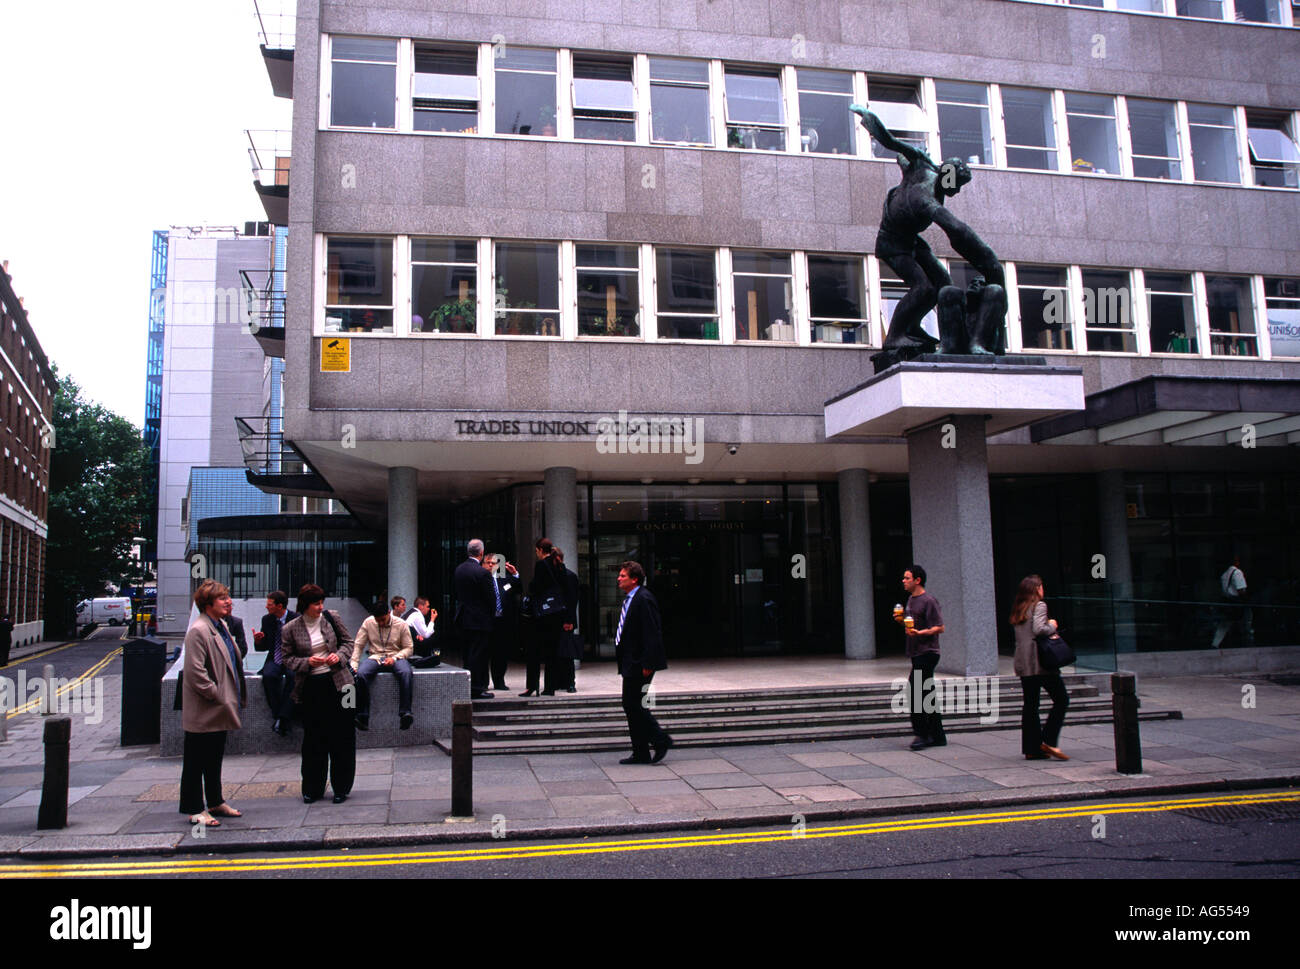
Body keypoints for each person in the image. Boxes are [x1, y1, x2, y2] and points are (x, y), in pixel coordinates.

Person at [849, 104, 1006, 355]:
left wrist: (884, 137)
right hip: (892, 243)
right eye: (957, 186)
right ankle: (896, 335)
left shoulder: (926, 167)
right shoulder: (926, 200)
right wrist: (987, 261)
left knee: (944, 282)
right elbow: (956, 229)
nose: (956, 191)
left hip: (910, 239)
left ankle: (915, 326)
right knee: (924, 288)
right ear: (949, 178)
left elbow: (899, 151)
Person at [178, 580, 246, 828]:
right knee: (196, 760)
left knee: (213, 757)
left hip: (218, 707)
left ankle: (215, 801)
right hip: (206, 708)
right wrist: (218, 695)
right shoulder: (198, 630)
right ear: (207, 604)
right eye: (222, 598)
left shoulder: (220, 625)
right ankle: (195, 808)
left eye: (228, 597)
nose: (229, 601)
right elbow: (195, 673)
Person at [279, 584, 356, 804]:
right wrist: (306, 662)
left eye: (322, 602)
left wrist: (338, 657)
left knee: (341, 737)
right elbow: (286, 659)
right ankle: (313, 788)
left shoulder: (331, 617)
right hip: (311, 686)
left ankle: (341, 787)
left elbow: (348, 643)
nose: (320, 607)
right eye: (316, 604)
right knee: (313, 739)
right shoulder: (290, 628)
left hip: (340, 684)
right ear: (305, 605)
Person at [613, 561, 671, 764]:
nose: (618, 579)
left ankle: (660, 740)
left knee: (633, 704)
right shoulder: (631, 599)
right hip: (631, 661)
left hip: (640, 662)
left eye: (623, 576)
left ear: (634, 579)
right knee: (632, 705)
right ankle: (641, 751)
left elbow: (652, 632)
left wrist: (648, 662)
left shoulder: (643, 598)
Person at [1010, 574, 1069, 761]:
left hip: (1023, 663)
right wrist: (1052, 625)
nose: (1043, 589)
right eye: (1041, 586)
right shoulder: (1039, 605)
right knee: (1061, 699)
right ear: (1037, 589)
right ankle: (1048, 740)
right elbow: (1039, 629)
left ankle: (1032, 748)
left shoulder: (1019, 608)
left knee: (1030, 705)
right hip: (1040, 662)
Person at [900, 564, 946, 751]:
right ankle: (937, 735)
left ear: (917, 580)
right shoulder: (910, 600)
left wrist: (921, 633)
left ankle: (921, 734)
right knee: (927, 693)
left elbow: (940, 627)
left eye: (907, 578)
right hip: (916, 652)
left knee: (915, 692)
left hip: (928, 652)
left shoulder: (929, 601)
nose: (904, 581)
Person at [351, 598, 415, 730]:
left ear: (389, 613)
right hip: (375, 656)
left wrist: (396, 658)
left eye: (382, 620)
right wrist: (354, 665)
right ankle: (363, 715)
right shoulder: (368, 623)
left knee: (406, 673)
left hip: (396, 656)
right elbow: (358, 645)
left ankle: (405, 713)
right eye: (377, 620)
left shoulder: (401, 624)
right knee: (361, 674)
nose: (380, 623)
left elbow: (409, 648)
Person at [454, 538, 497, 698]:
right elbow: (491, 599)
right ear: (481, 553)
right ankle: (477, 688)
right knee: (479, 655)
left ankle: (468, 685)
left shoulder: (459, 570)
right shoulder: (482, 573)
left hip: (464, 617)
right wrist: (491, 615)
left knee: (467, 654)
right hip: (480, 619)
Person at [253, 591, 298, 736]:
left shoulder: (296, 619)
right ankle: (280, 715)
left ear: (279, 606)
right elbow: (264, 647)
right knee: (269, 676)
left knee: (294, 677)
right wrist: (258, 641)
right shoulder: (267, 620)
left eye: (269, 604)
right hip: (275, 658)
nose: (266, 607)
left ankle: (282, 718)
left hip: (292, 658)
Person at [526, 538, 567, 696]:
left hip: (543, 615)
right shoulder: (560, 566)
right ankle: (550, 687)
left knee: (534, 650)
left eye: (537, 551)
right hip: (556, 614)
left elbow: (536, 587)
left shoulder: (541, 565)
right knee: (552, 653)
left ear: (540, 550)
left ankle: (533, 686)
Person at [484, 554, 520, 692]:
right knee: (485, 653)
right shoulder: (481, 579)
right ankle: (483, 682)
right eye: (488, 563)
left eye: (494, 563)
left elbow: (518, 589)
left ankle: (499, 681)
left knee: (501, 653)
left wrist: (515, 574)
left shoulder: (504, 579)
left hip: (502, 621)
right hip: (487, 621)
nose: (491, 565)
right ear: (483, 564)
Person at [555, 546, 581, 694]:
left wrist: (569, 621)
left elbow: (572, 600)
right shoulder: (557, 575)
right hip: (557, 619)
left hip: (566, 620)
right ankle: (561, 680)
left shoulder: (569, 576)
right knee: (559, 653)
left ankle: (570, 682)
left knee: (567, 653)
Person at [1212, 555, 1251, 648]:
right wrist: (1246, 600)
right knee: (1245, 623)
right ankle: (1247, 644)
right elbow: (1240, 589)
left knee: (1224, 625)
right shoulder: (1237, 572)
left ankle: (1215, 643)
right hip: (1237, 602)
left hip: (1227, 601)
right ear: (1236, 562)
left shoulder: (1224, 574)